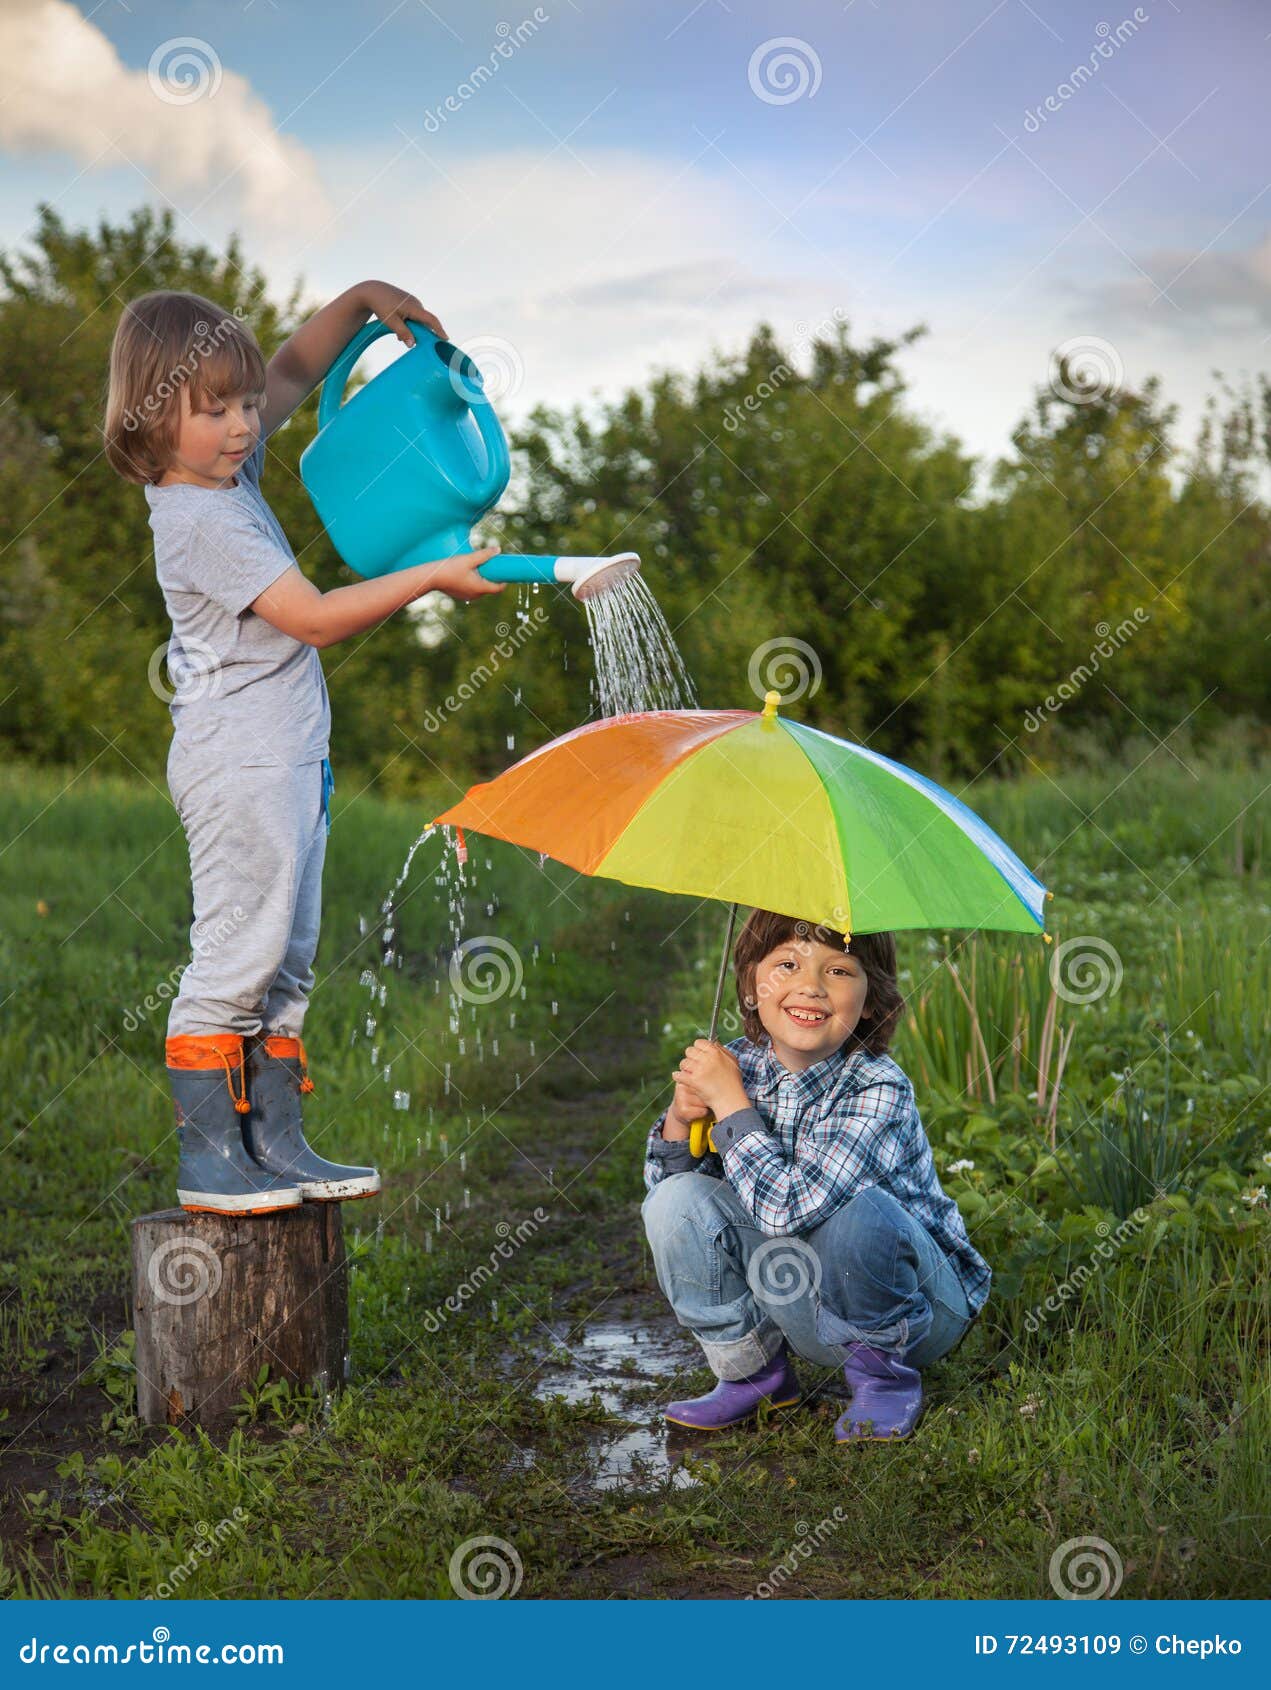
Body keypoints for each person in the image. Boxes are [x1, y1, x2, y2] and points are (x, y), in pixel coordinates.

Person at [104, 283, 504, 1215]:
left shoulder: (222, 472)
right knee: (236, 960)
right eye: (218, 410)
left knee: (286, 963)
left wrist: (361, 302)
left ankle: (275, 1146)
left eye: (244, 406)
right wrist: (433, 574)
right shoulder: (201, 519)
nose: (245, 425)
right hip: (239, 765)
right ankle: (211, 1161)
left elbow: (289, 368)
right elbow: (315, 619)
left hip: (286, 761)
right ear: (156, 417)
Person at [642, 908, 990, 1441]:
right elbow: (675, 1198)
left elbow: (785, 1208)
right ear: (751, 985)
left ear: (872, 999)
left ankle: (885, 1382)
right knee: (675, 1201)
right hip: (804, 1296)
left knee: (860, 1214)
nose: (809, 987)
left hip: (915, 1309)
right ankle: (754, 1377)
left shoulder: (877, 1087)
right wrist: (680, 1119)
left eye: (839, 970)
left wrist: (732, 1108)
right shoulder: (735, 1066)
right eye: (786, 964)